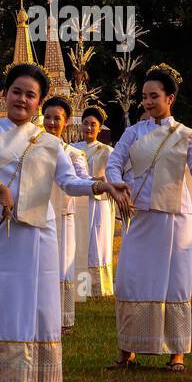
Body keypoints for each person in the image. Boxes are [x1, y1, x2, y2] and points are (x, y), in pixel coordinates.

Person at [0, 63, 128, 382]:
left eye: (30, 95)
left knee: (31, 306)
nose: (22, 99)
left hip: (36, 235)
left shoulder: (50, 142)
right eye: (16, 91)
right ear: (4, 94)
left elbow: (68, 183)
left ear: (39, 102)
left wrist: (101, 185)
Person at [105, 64, 192, 371]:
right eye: (145, 97)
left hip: (174, 219)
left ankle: (176, 353)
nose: (148, 102)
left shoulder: (188, 135)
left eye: (154, 96)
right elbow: (114, 163)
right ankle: (128, 351)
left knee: (173, 282)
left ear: (170, 98)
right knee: (131, 281)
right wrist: (117, 185)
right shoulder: (133, 133)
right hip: (140, 216)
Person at [41, 95, 88, 331]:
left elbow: (81, 178)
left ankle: (63, 318)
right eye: (47, 117)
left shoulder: (72, 153)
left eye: (56, 118)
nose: (51, 123)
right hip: (39, 215)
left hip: (63, 215)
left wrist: (98, 184)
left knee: (62, 265)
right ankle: (42, 316)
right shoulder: (33, 149)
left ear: (66, 121)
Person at [73, 104, 116, 298]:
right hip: (79, 201)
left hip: (99, 203)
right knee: (80, 243)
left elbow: (114, 176)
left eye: (93, 124)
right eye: (86, 124)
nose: (89, 128)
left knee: (98, 244)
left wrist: (102, 182)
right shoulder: (73, 149)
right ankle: (82, 288)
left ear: (99, 128)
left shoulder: (107, 151)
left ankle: (99, 289)